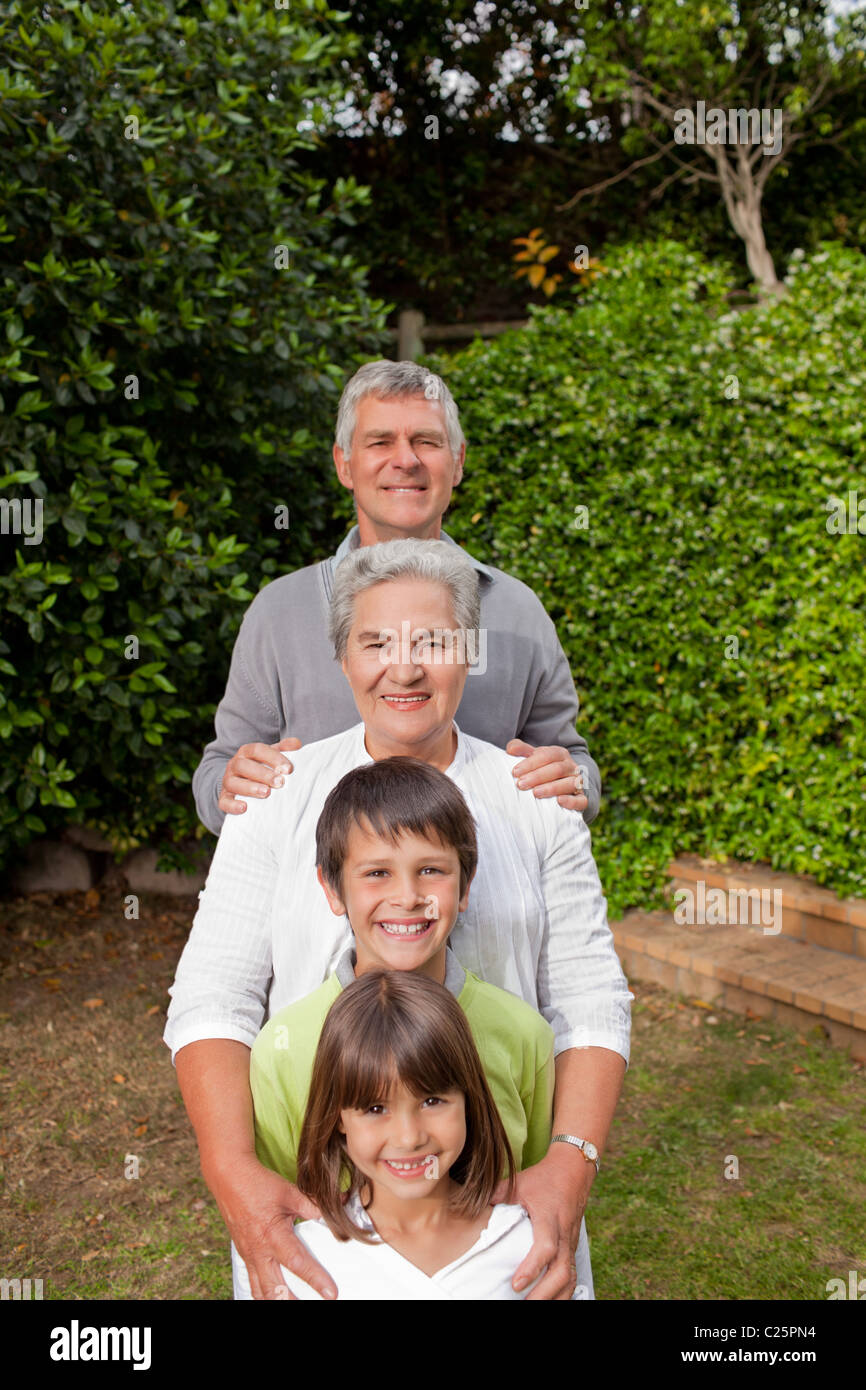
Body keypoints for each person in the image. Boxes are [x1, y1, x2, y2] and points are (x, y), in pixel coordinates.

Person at [165, 539, 631, 1301]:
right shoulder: (275, 795)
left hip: (503, 1214)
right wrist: (234, 1174)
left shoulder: (534, 797)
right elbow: (212, 998)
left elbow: (589, 1002)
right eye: (375, 642)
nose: (404, 667)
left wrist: (569, 1165)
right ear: (342, 658)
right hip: (317, 1222)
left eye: (434, 642)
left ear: (468, 655)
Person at [234, 757, 594, 1298]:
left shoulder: (523, 1033)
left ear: (464, 884)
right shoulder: (283, 1049)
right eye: (377, 872)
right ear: (332, 890)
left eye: (431, 870)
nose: (407, 896)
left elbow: (541, 1184)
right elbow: (283, 1204)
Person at [191, 359, 601, 833]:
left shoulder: (517, 611)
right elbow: (216, 776)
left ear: (459, 461)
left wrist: (575, 784)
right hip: (316, 903)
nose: (405, 460)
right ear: (344, 464)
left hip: (488, 898)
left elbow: (575, 766)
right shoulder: (279, 612)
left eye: (426, 441)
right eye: (380, 442)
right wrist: (229, 785)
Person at [238, 971, 581, 1301]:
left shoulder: (532, 1244)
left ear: (468, 1100)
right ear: (338, 1116)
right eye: (375, 1108)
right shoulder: (303, 1260)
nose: (408, 1138)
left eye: (432, 1101)